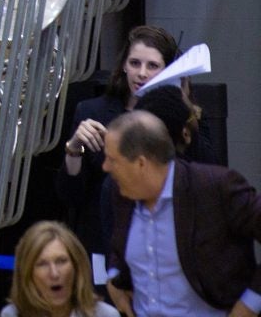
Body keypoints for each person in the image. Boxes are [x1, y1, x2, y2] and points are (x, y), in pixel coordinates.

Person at [102, 109, 261, 317]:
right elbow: (119, 243)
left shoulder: (214, 187)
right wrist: (114, 279)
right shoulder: (123, 192)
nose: (105, 167)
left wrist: (249, 306)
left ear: (141, 163)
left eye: (112, 160)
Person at [56, 24, 178, 254]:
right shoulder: (92, 111)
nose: (141, 73)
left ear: (168, 71)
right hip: (103, 241)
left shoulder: (179, 115)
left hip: (161, 242)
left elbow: (205, 166)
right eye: (134, 63)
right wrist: (74, 149)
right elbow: (70, 196)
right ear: (124, 65)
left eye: (152, 66)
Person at [1, 220, 120, 317]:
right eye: (42, 264)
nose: (54, 273)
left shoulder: (105, 315)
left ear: (76, 267)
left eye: (61, 261)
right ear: (28, 273)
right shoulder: (11, 315)